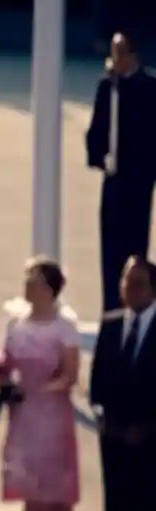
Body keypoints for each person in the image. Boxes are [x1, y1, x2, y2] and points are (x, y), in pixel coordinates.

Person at [0, 259, 82, 511]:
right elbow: (6, 363)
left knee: (56, 486)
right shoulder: (16, 323)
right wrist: (0, 377)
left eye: (33, 281)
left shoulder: (64, 327)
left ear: (49, 289)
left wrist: (40, 390)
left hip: (52, 415)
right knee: (29, 484)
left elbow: (70, 375)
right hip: (24, 415)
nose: (27, 286)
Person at [90, 256, 156, 511]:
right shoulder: (112, 323)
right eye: (125, 282)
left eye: (137, 283)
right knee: (115, 490)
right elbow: (98, 378)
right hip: (114, 431)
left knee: (145, 494)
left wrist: (145, 427)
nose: (128, 290)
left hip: (148, 434)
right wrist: (101, 414)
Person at [86, 32, 156, 311]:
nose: (115, 59)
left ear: (133, 56)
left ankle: (138, 301)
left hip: (139, 178)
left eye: (120, 53)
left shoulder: (150, 88)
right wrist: (98, 157)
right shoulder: (107, 87)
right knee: (110, 240)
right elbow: (98, 128)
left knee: (135, 241)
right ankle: (111, 305)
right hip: (113, 175)